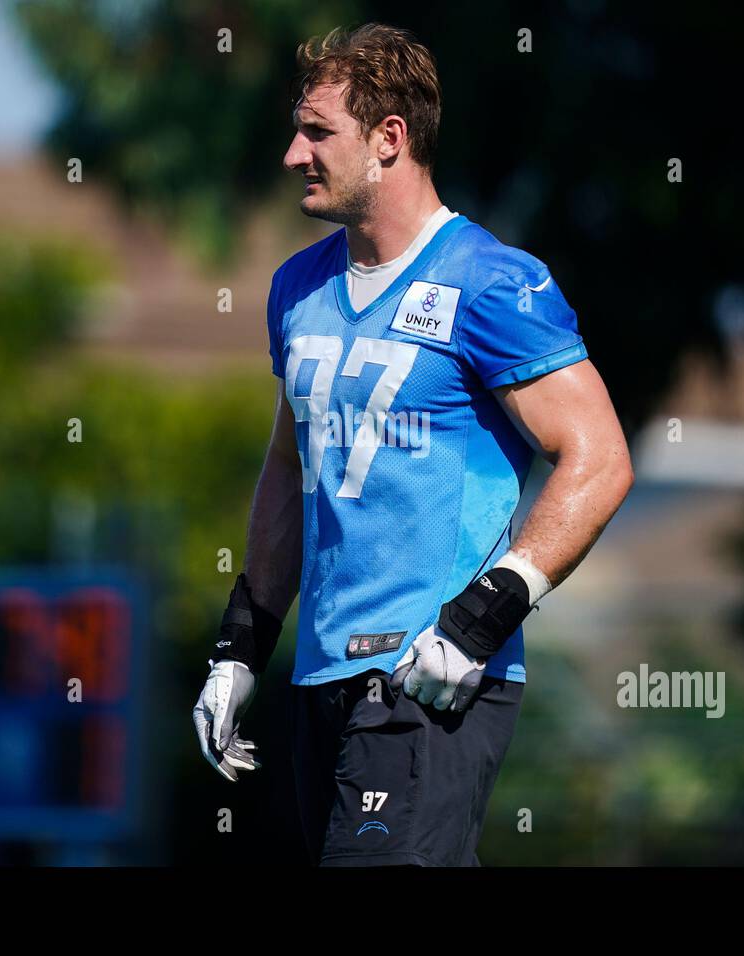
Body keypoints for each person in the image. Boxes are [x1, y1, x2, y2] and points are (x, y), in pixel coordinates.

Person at [193, 22, 634, 866]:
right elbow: (291, 468)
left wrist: (483, 616)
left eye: (317, 131)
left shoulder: (491, 281)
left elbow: (601, 458)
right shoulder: (296, 288)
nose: (293, 153)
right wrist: (241, 645)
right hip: (318, 683)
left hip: (427, 681)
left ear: (389, 140)